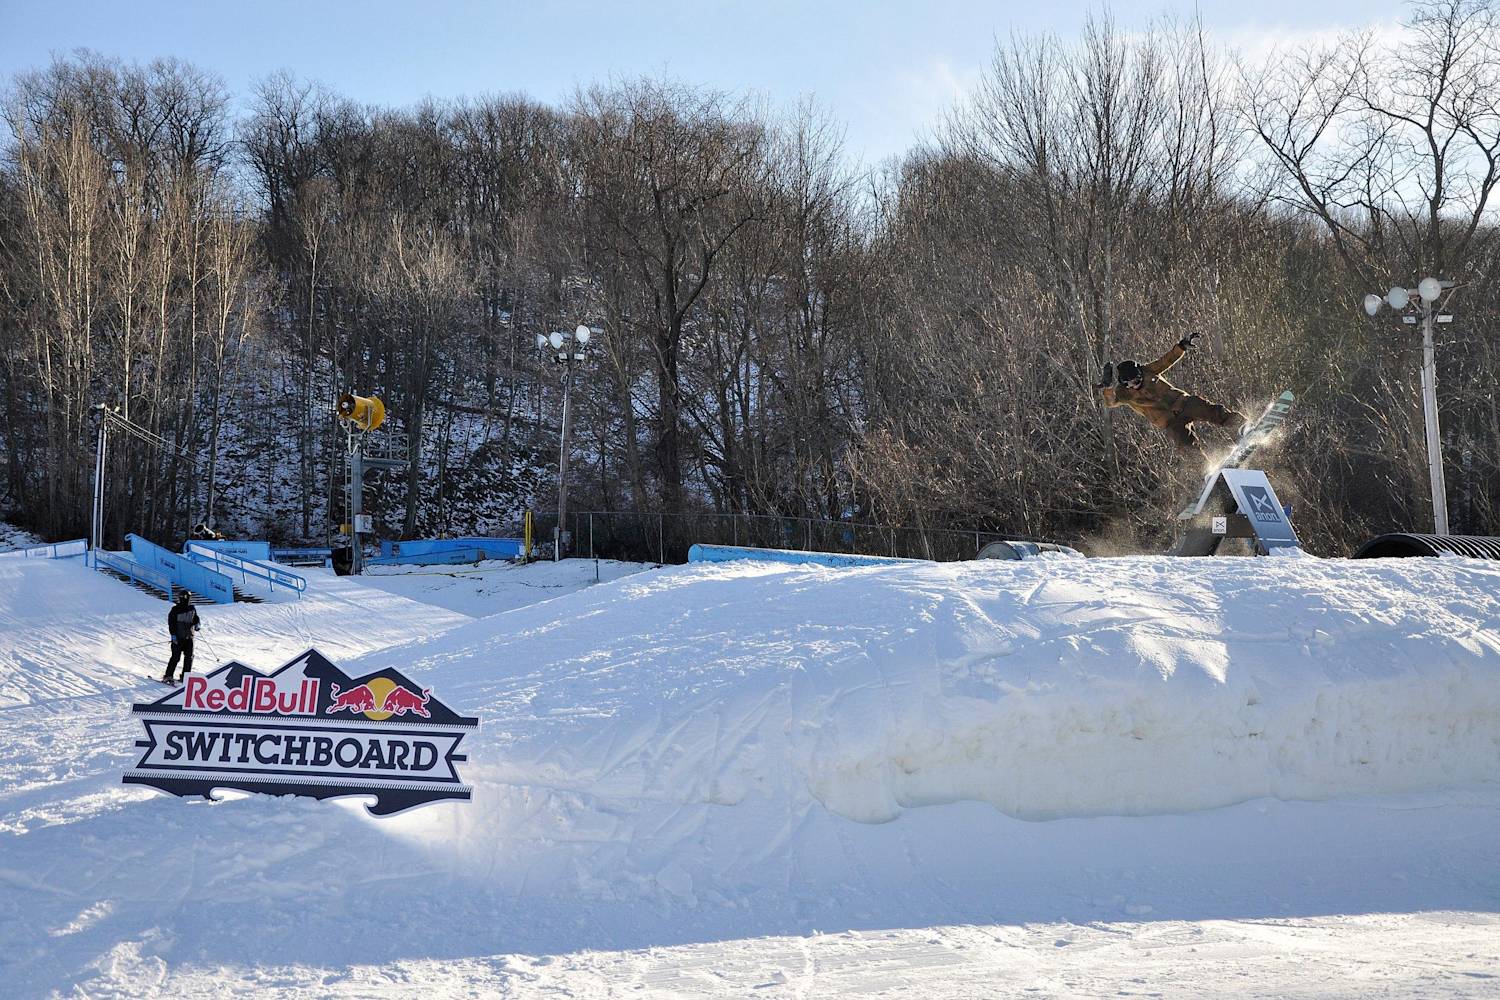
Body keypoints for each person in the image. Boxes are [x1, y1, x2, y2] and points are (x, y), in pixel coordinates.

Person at [1094, 332, 1247, 453]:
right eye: (1130, 384)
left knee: (1210, 410)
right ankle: (1204, 468)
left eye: (1137, 380)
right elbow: (1111, 402)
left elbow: (1166, 360)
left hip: (1182, 403)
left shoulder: (1148, 371)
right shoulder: (1123, 392)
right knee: (1185, 445)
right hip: (1169, 421)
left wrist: (1182, 346)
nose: (1135, 385)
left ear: (1140, 373)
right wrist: (1107, 388)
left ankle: (1242, 425)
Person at [162, 592, 200, 684]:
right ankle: (168, 676)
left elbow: (196, 618)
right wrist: (173, 635)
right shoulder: (175, 609)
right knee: (175, 657)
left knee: (189, 658)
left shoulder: (192, 608)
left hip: (189, 637)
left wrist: (197, 624)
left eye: (187, 597)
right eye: (184, 597)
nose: (186, 599)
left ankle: (185, 677)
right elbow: (171, 623)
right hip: (178, 638)